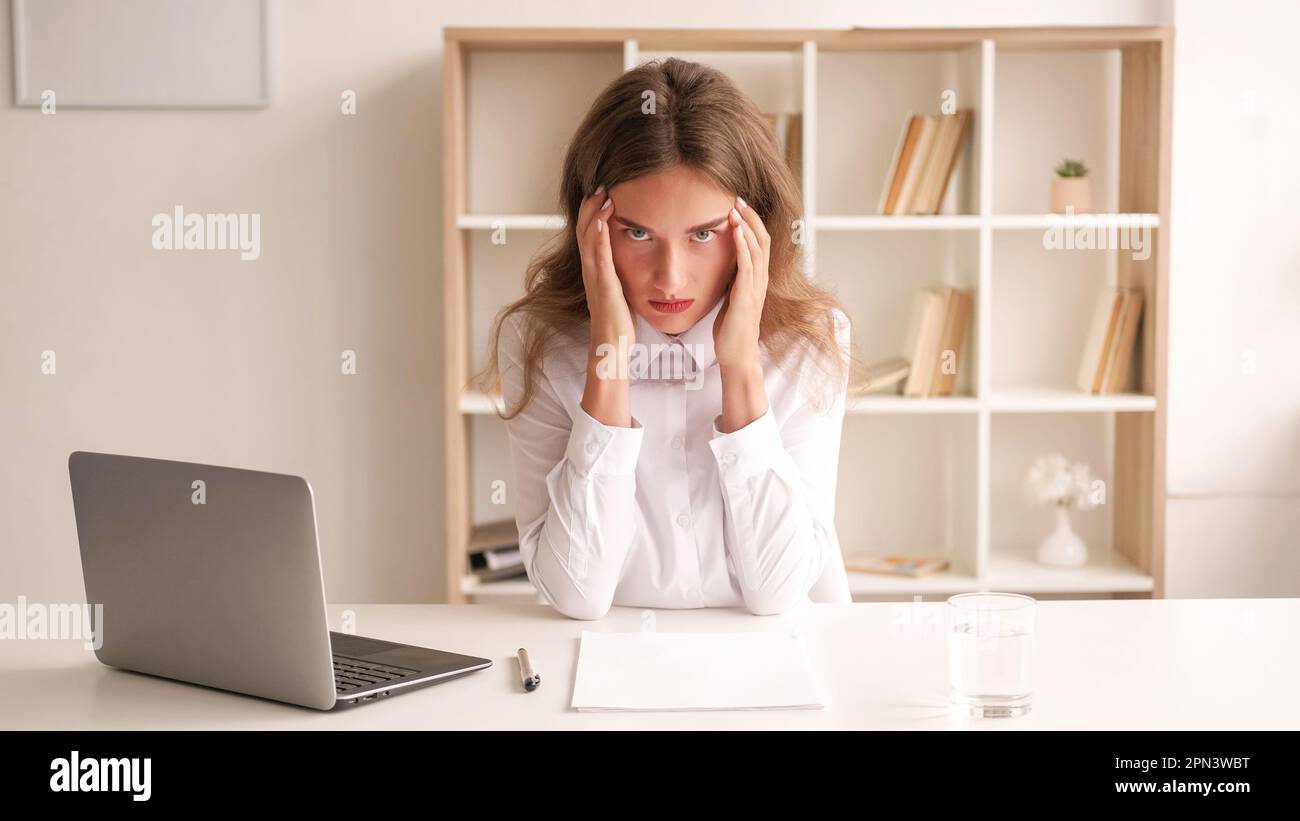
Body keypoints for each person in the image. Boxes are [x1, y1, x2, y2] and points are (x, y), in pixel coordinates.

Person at [477, 57, 863, 619]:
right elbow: (576, 594)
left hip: (774, 669)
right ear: (590, 224)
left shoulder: (812, 341)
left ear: (754, 228)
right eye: (638, 232)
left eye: (703, 233)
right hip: (609, 669)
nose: (671, 278)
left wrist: (740, 367)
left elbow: (778, 592)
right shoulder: (537, 341)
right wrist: (609, 353)